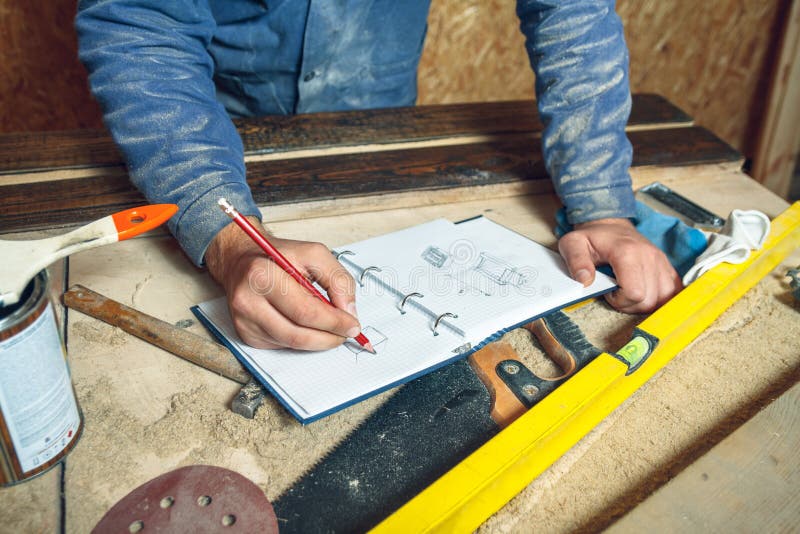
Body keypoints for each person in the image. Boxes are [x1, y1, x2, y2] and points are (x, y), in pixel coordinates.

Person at [76, 0, 681, 351]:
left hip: (381, 131)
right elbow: (142, 22)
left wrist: (602, 204)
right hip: (207, 127)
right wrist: (222, 231)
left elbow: (569, 10)